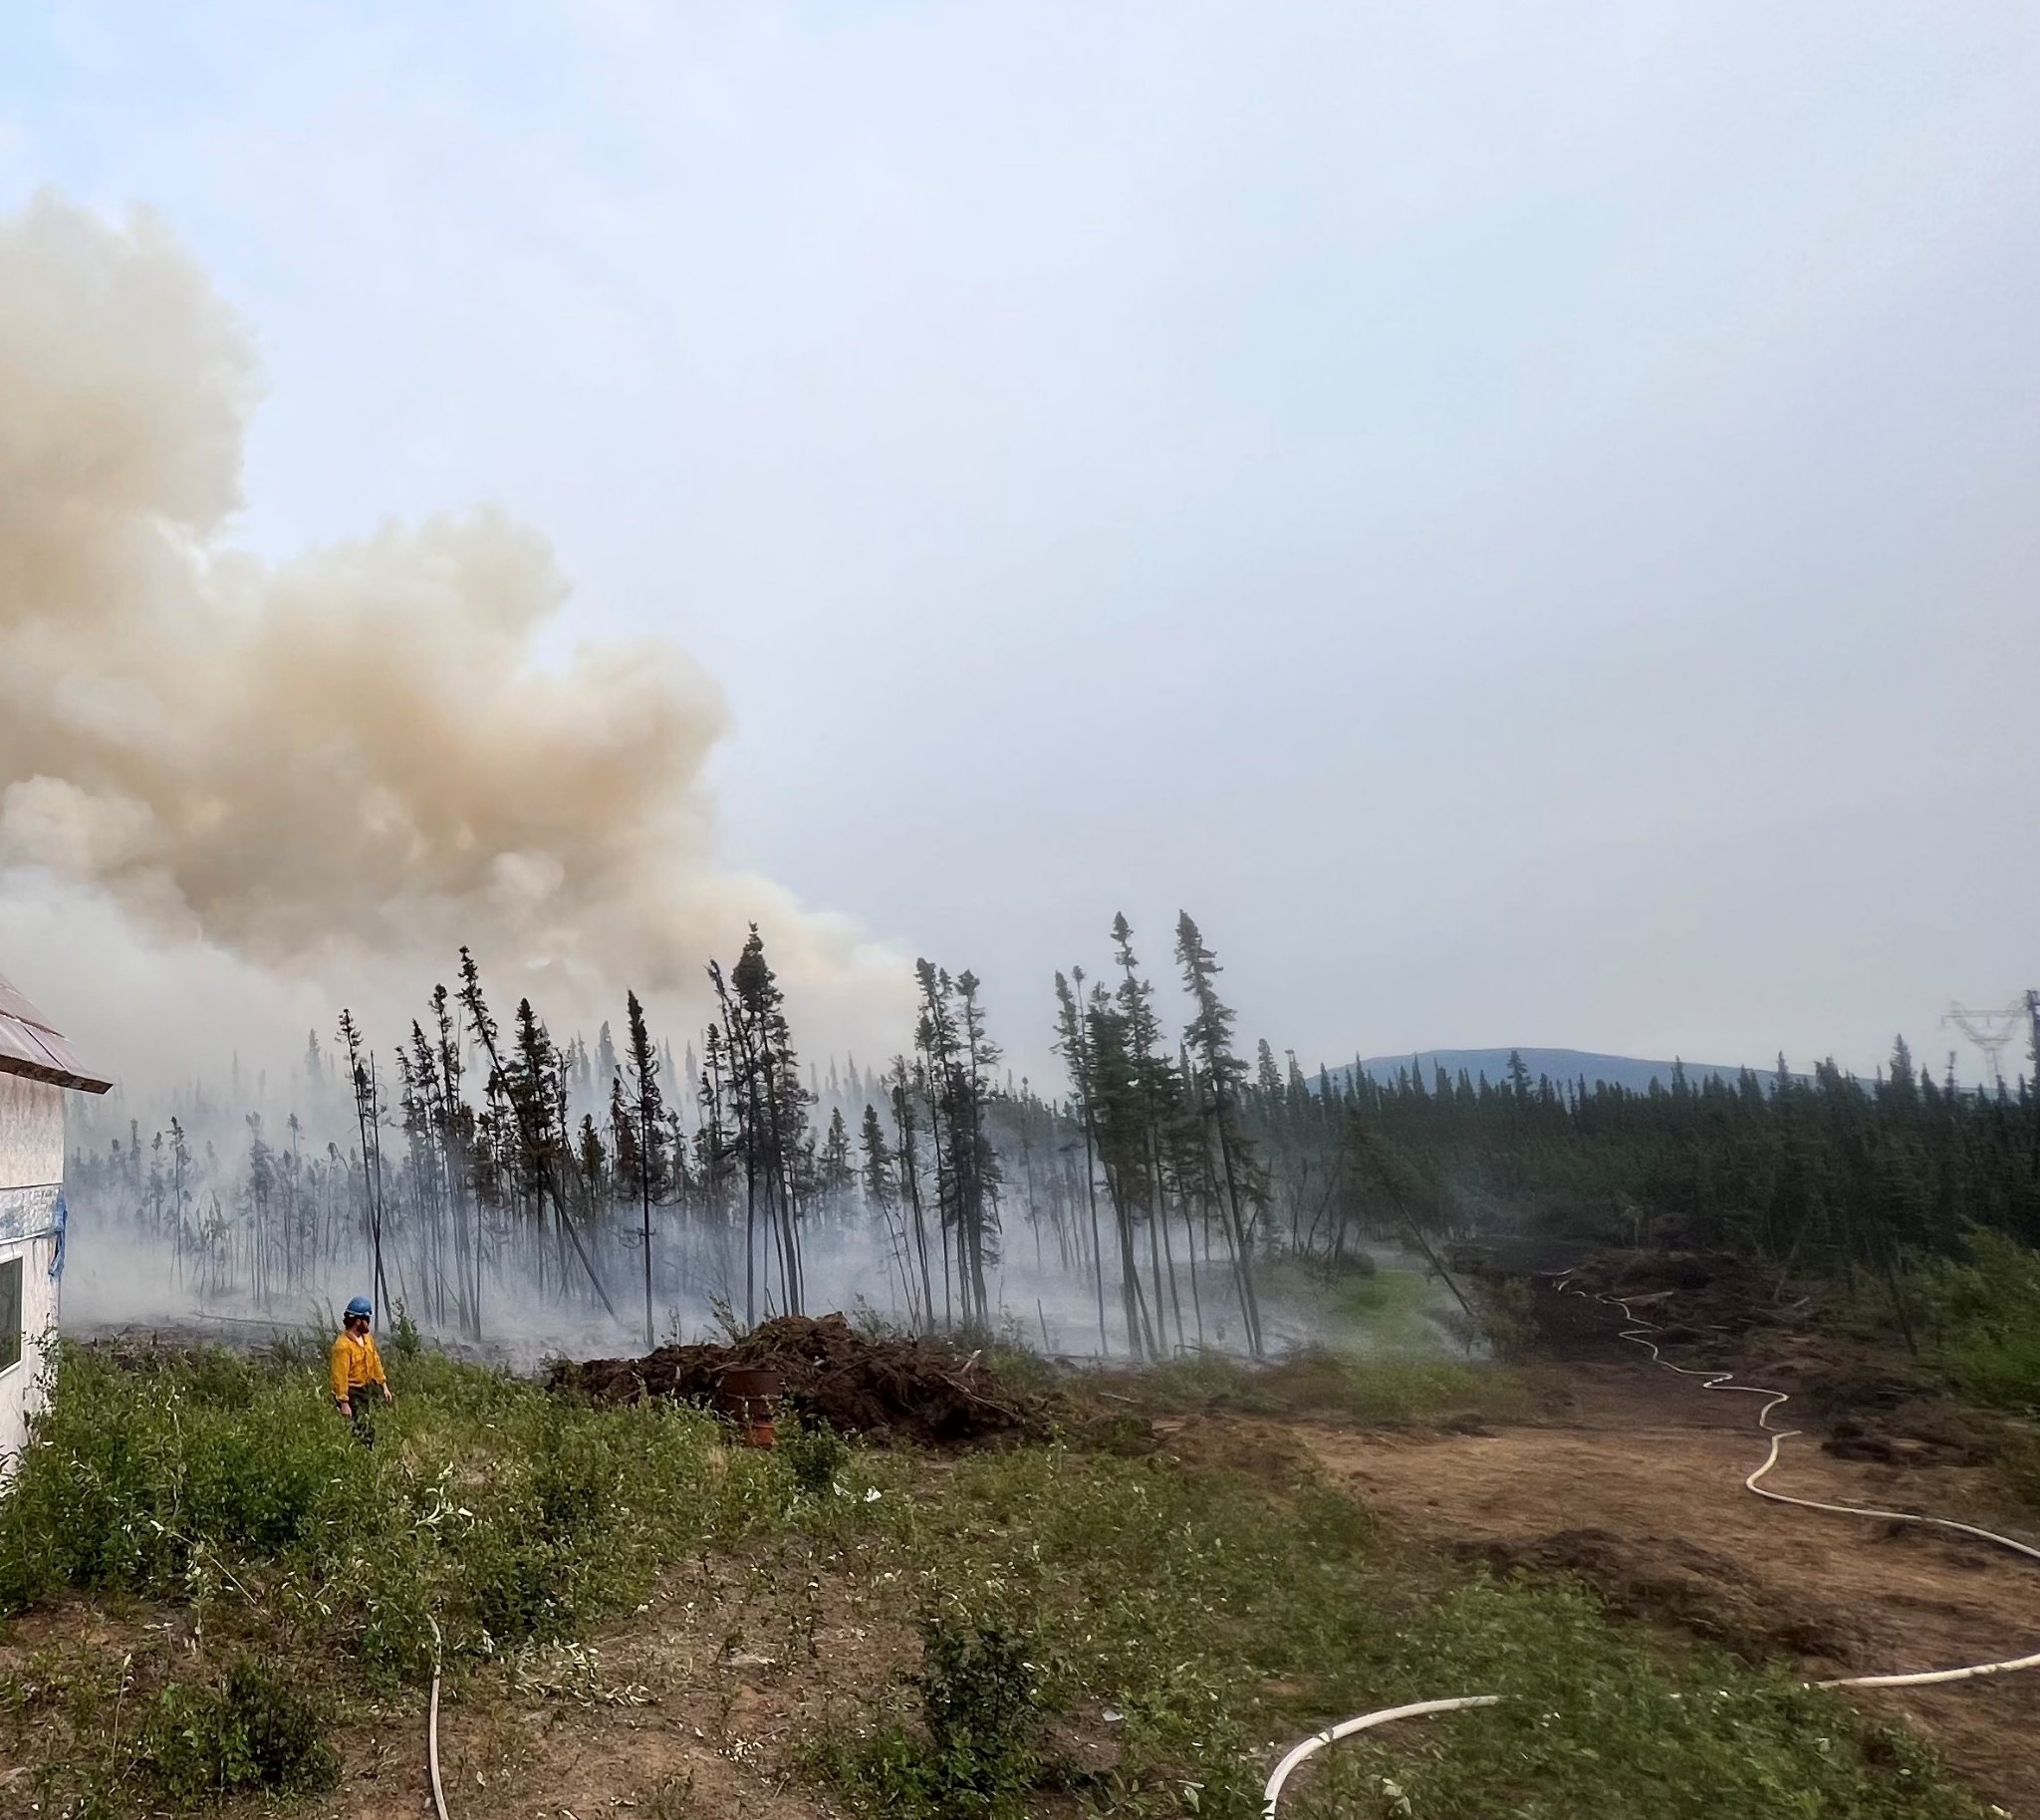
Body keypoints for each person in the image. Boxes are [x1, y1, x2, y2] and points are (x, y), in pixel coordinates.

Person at [331, 1295, 394, 1444]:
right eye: (367, 1320)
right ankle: (363, 1452)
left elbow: (375, 1361)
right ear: (358, 1321)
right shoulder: (342, 1346)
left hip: (364, 1390)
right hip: (351, 1392)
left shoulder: (367, 1339)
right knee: (361, 1429)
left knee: (365, 1424)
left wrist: (383, 1386)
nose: (369, 1323)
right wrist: (344, 1402)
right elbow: (339, 1376)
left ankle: (365, 1450)